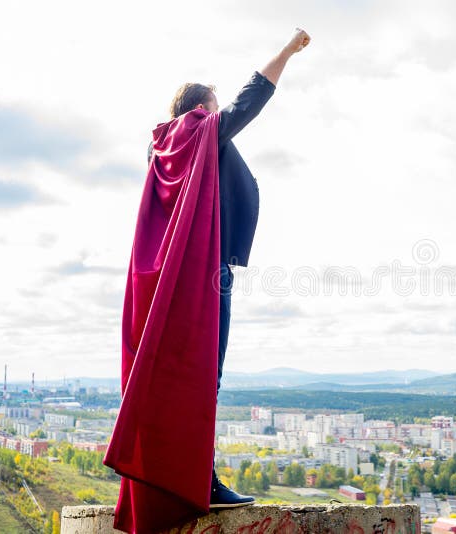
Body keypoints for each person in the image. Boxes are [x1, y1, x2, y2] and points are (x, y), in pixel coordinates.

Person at [150, 27, 311, 509]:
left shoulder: (162, 149)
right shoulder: (200, 132)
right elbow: (250, 99)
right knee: (205, 378)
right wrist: (288, 51)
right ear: (200, 111)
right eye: (213, 109)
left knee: (173, 377)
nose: (219, 119)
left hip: (168, 278)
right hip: (205, 272)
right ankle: (201, 481)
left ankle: (169, 478)